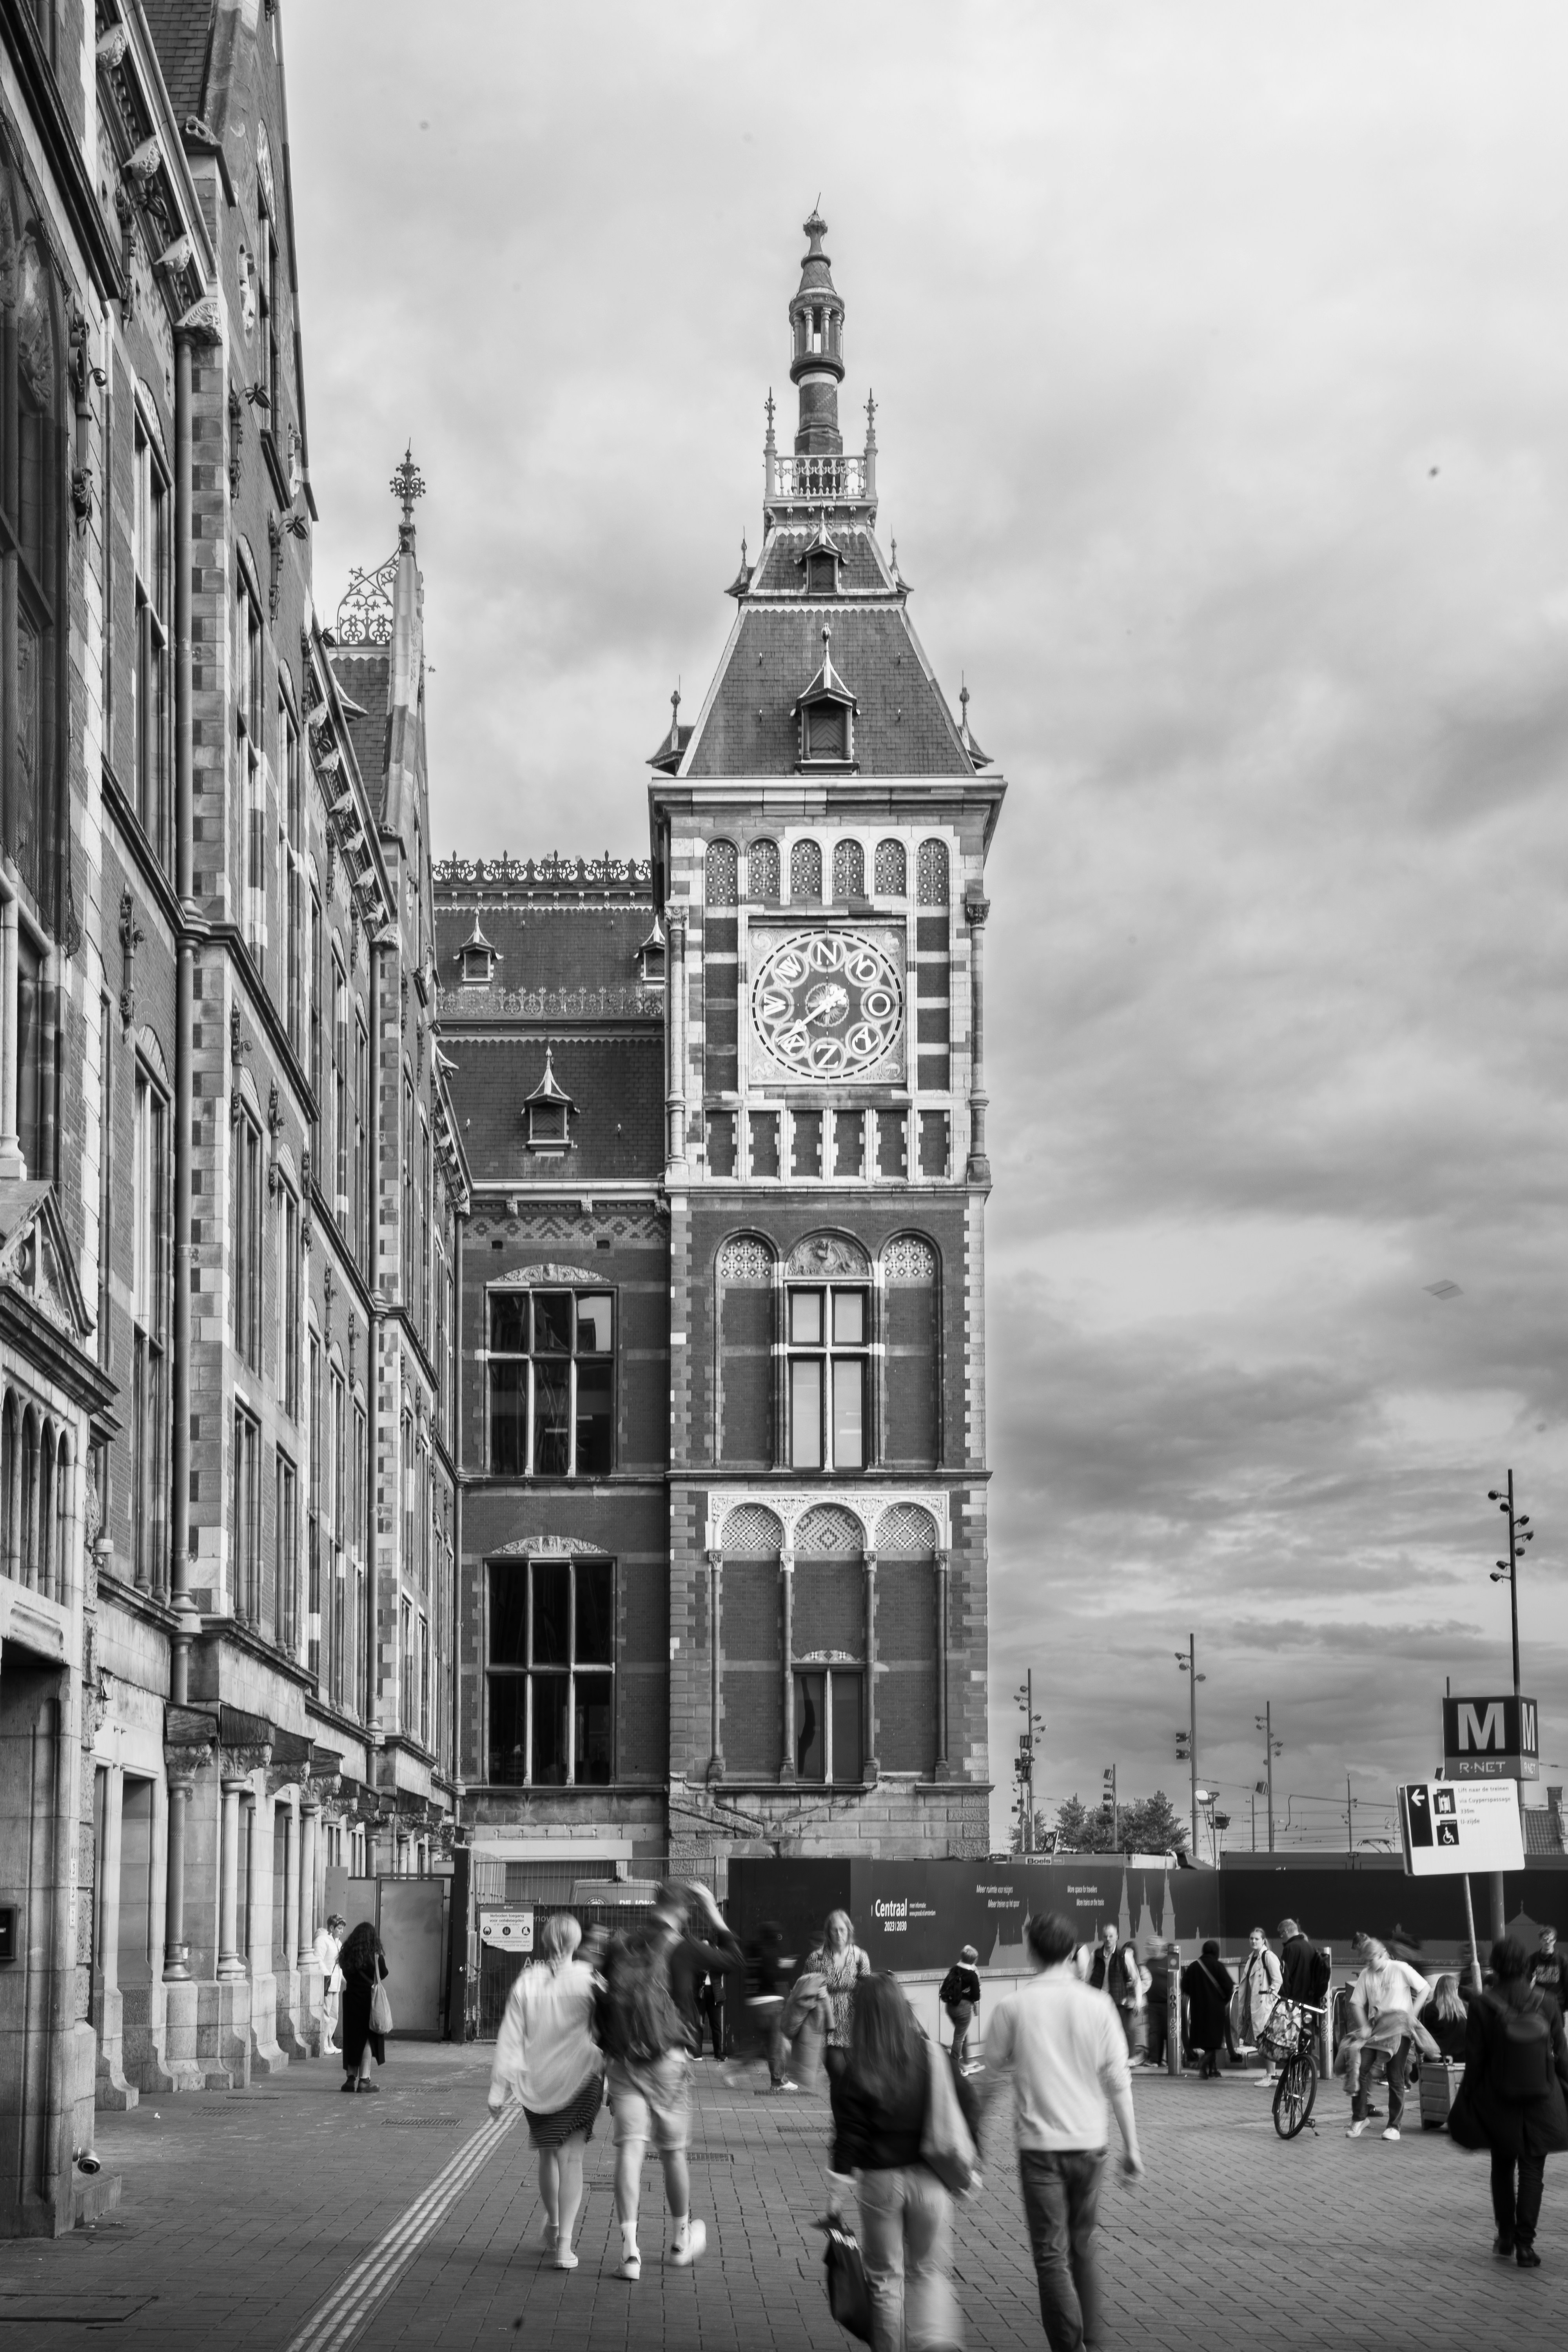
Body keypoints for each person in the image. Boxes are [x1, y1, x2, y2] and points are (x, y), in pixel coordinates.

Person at [984, 1911, 1143, 2352]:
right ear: (1075, 1953)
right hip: (1091, 2145)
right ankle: (1091, 2339)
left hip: (1039, 2149)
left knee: (1051, 2255)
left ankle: (1069, 2347)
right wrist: (1132, 2148)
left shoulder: (1013, 2006)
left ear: (1032, 1951)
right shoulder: (1098, 2005)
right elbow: (1118, 2080)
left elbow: (988, 2082)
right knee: (1082, 2244)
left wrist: (974, 2140)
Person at [596, 1879, 737, 2279]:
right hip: (669, 2062)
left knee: (630, 2152)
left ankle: (630, 2253)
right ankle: (679, 2242)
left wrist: (610, 2059)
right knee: (673, 2152)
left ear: (654, 1906)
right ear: (685, 1911)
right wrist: (713, 1910)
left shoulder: (622, 1944)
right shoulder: (683, 1947)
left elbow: (604, 2003)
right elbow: (735, 1958)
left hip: (624, 2061)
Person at [827, 1974, 964, 2352]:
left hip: (880, 2184)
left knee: (885, 2279)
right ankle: (935, 2342)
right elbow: (967, 2104)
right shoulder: (934, 2056)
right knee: (929, 2272)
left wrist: (836, 2194)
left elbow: (848, 2139)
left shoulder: (855, 2071)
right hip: (931, 2181)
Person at [488, 1911, 604, 2271]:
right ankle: (565, 2247)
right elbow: (611, 2028)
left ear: (545, 1941)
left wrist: (498, 2088)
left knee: (547, 2156)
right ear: (576, 1943)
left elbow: (510, 2036)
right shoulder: (590, 1981)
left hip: (536, 2085)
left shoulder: (527, 1981)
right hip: (582, 2079)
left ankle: (552, 2225)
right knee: (572, 2160)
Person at [1452, 1935, 1568, 2267]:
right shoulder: (1547, 2001)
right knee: (1533, 2171)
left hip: (1498, 2097)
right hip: (1542, 2099)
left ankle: (1505, 2236)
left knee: (1503, 2168)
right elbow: (1561, 2053)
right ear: (1526, 1965)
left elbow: (1475, 2059)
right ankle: (1526, 2246)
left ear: (1497, 1965)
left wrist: (1469, 2096)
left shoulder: (1482, 2003)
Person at [1344, 1934, 1431, 2141]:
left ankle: (1394, 2126)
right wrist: (1364, 2026)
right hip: (1376, 2030)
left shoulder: (1399, 1968)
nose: (1369, 1965)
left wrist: (1413, 2014)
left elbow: (1425, 1988)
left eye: (1371, 1960)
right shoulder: (1367, 1974)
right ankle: (1360, 2118)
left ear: (1382, 1954)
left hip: (1399, 2027)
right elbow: (1356, 2003)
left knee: (1395, 2075)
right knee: (1361, 2069)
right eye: (1366, 1962)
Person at [808, 1908, 871, 2083]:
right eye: (834, 1930)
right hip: (827, 2027)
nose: (838, 1934)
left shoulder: (860, 1957)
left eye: (842, 1930)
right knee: (838, 2075)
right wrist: (814, 1992)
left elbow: (867, 1991)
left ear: (849, 1931)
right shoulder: (816, 1959)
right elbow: (804, 1988)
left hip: (853, 2027)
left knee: (854, 2077)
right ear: (828, 1932)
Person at [337, 1918, 389, 2094]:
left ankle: (350, 2080)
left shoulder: (347, 1954)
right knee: (367, 2039)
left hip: (351, 1999)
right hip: (369, 2000)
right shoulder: (374, 1956)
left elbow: (344, 1971)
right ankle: (365, 2081)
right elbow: (384, 1973)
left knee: (352, 2039)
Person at [1235, 1927, 1284, 2082]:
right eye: (1251, 1938)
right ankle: (1269, 2074)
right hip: (1253, 2005)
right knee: (1261, 2042)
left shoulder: (1268, 1956)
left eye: (1257, 1939)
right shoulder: (1253, 1958)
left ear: (1263, 1940)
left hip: (1264, 2006)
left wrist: (1270, 1998)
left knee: (1266, 2041)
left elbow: (1278, 1980)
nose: (1253, 1941)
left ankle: (1271, 2075)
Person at [1088, 1923, 1143, 2056]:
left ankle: (1129, 2059)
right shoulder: (1095, 1955)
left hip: (1119, 2002)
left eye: (1111, 1936)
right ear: (1102, 1938)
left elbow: (1136, 1981)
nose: (1108, 1939)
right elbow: (1087, 1980)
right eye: (1106, 1936)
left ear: (1117, 1937)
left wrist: (1139, 2002)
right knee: (1099, 2033)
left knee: (1123, 2032)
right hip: (1099, 2001)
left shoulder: (1124, 1956)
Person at [1180, 1940, 1233, 2078]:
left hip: (1198, 2009)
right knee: (1214, 2041)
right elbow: (1228, 1986)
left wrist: (1196, 1994)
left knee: (1205, 2041)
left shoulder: (1194, 1966)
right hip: (1216, 2009)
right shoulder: (1218, 1966)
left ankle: (1212, 2069)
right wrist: (1224, 2000)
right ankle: (1204, 2063)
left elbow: (1185, 1986)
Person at [940, 1944, 983, 2075]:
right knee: (959, 2038)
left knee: (963, 2035)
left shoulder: (955, 1969)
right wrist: (967, 1995)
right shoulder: (972, 1975)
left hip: (950, 2008)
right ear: (974, 1961)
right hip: (963, 2010)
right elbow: (976, 1996)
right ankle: (954, 2068)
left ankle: (967, 2062)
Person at [1419, 1972, 1469, 2065]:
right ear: (1455, 1989)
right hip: (1464, 2060)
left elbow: (1423, 2036)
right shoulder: (1465, 2007)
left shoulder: (1429, 2008)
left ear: (1438, 1989)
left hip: (1438, 2060)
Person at [313, 1913, 345, 2055]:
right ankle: (324, 2043)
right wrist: (327, 1975)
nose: (342, 1931)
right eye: (339, 1928)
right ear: (332, 1928)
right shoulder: (322, 1940)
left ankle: (330, 2041)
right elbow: (318, 1959)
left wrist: (343, 1978)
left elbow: (340, 1965)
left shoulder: (338, 1943)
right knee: (326, 2014)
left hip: (336, 1983)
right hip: (328, 1983)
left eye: (342, 1928)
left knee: (334, 2014)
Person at [1142, 1941, 1174, 2071]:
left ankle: (1171, 2060)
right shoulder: (1147, 1963)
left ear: (1160, 1947)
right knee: (1154, 2032)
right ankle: (1155, 2060)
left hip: (1169, 2004)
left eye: (1153, 1946)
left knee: (1169, 2032)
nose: (1150, 1948)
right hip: (1152, 2005)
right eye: (1148, 1946)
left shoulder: (1170, 1961)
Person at [1530, 1926, 1568, 2009]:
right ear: (1540, 1940)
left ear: (1555, 1940)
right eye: (1545, 1939)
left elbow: (1567, 1982)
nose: (1548, 1942)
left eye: (1551, 1939)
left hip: (1559, 2003)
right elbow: (1526, 1979)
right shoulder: (1533, 1958)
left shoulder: (1563, 1960)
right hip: (1540, 2002)